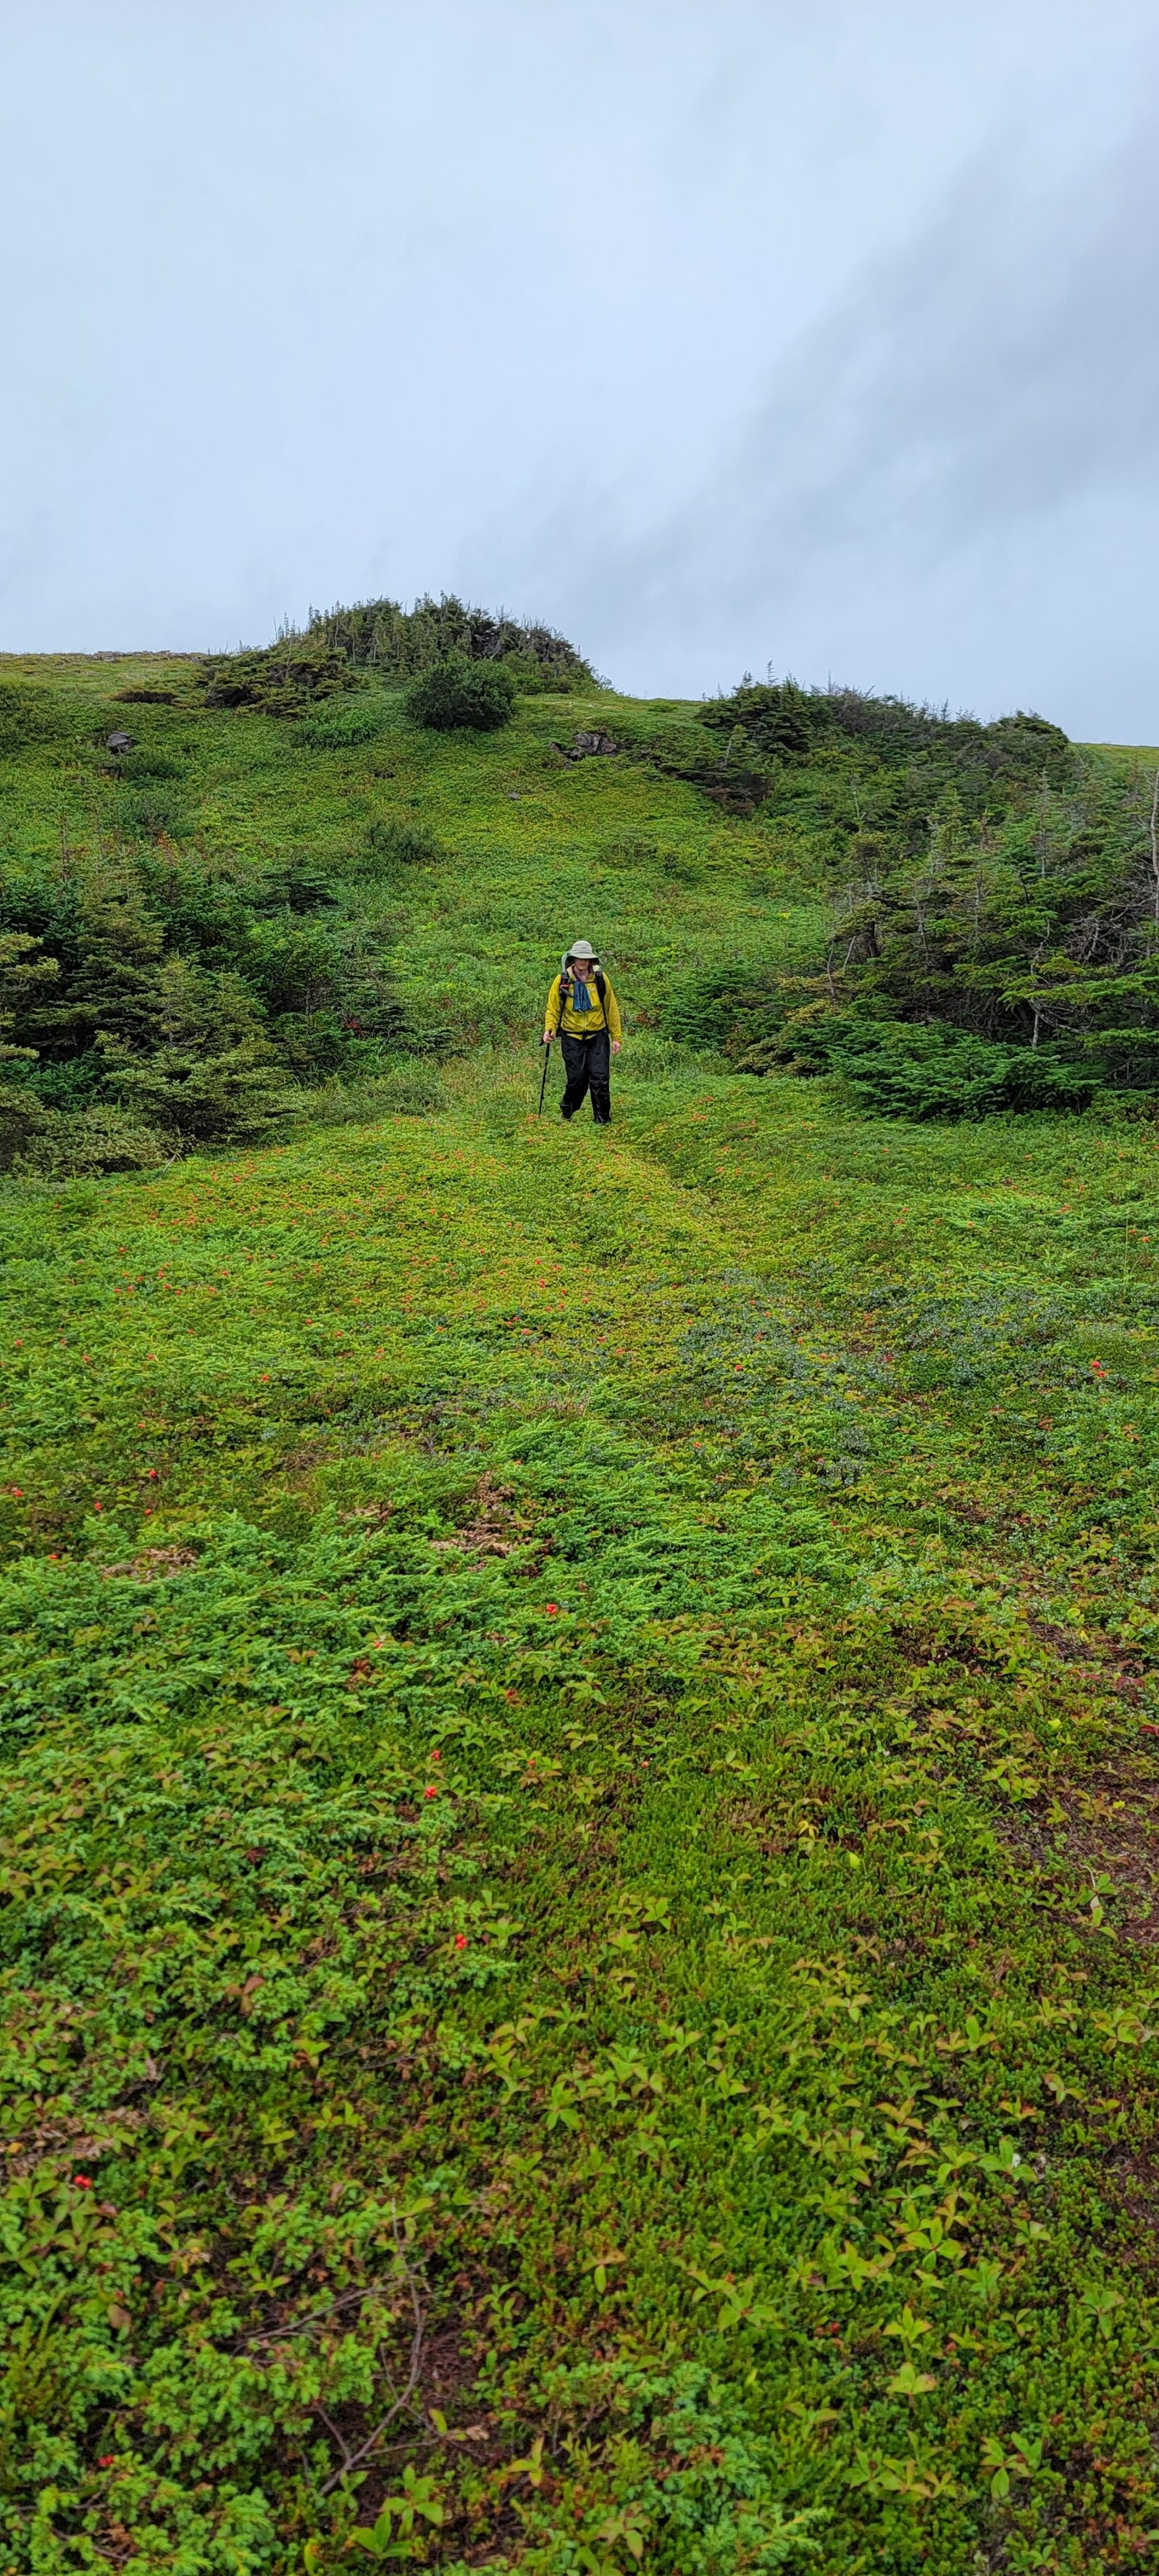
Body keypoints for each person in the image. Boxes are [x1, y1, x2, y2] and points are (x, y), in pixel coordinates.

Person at [543, 940, 622, 1124]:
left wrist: (616, 1037)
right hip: (571, 1037)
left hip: (598, 1036)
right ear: (573, 959)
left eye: (586, 959)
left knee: (600, 1079)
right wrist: (550, 1029)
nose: (583, 962)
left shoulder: (601, 979)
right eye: (579, 958)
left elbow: (611, 1008)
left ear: (591, 960)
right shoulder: (562, 980)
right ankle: (567, 1110)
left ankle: (602, 1121)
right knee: (577, 1080)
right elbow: (553, 1009)